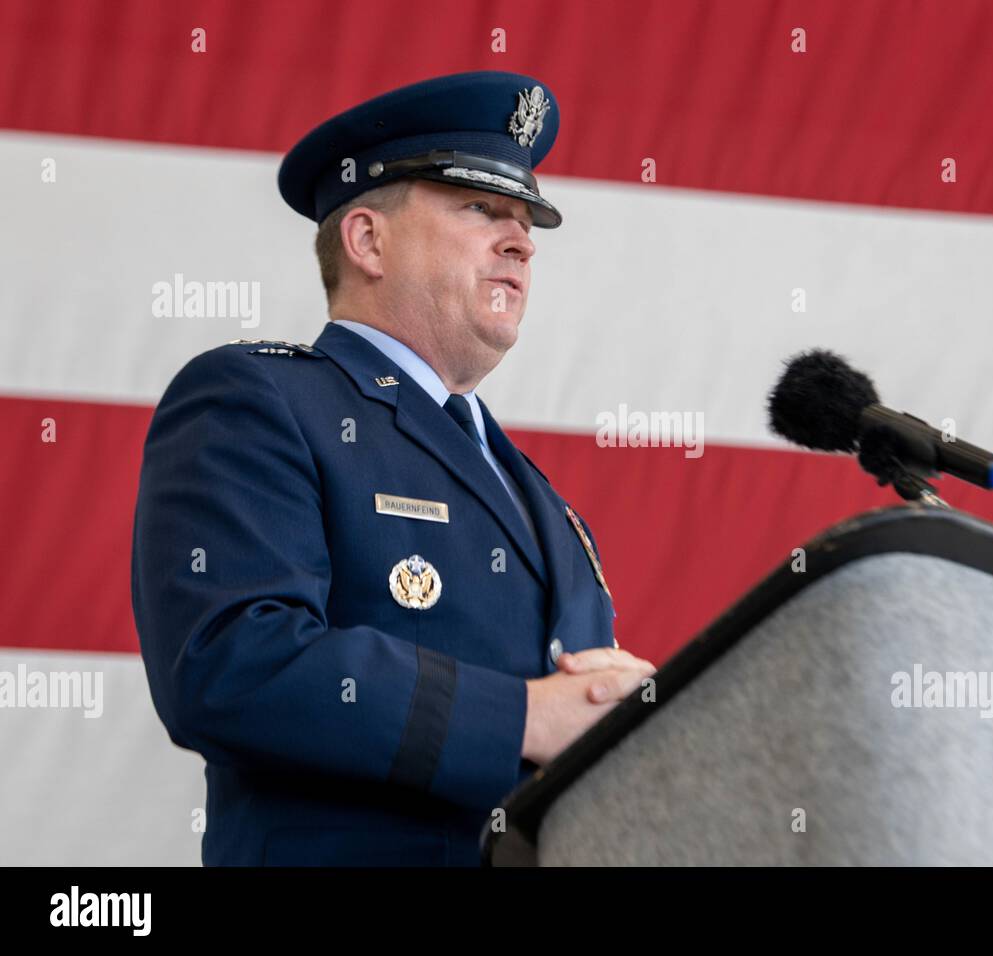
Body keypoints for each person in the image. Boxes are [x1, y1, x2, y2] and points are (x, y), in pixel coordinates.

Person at [131, 70, 655, 866]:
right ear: (368, 239)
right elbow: (228, 663)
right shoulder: (258, 398)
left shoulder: (547, 509)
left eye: (526, 221)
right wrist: (525, 718)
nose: (521, 241)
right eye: (482, 208)